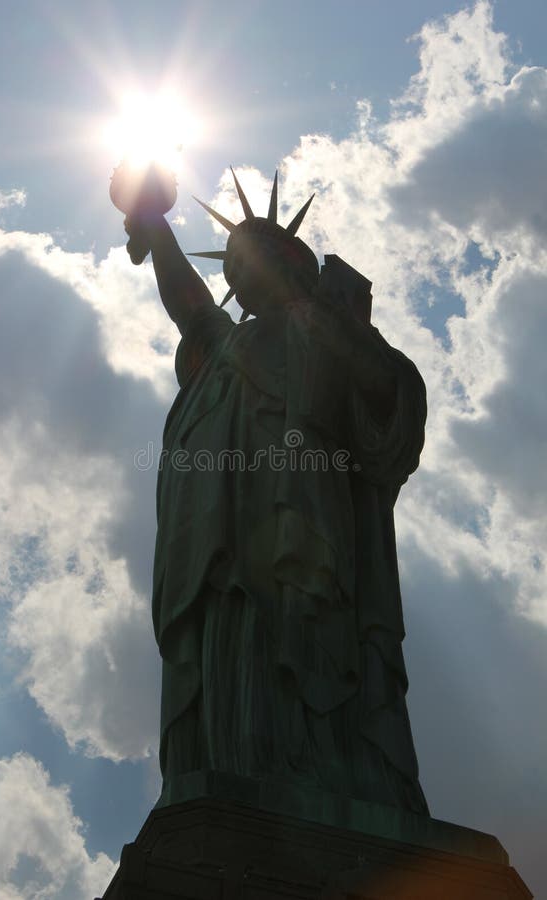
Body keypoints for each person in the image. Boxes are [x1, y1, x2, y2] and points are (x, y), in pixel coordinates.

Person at [124, 169, 428, 815]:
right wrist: (154, 223)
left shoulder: (325, 325)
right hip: (216, 541)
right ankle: (236, 769)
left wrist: (338, 330)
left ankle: (325, 779)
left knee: (301, 640)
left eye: (246, 258)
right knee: (229, 659)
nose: (235, 276)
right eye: (230, 267)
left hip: (304, 527)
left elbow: (389, 397)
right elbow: (190, 304)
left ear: (290, 258)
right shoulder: (226, 346)